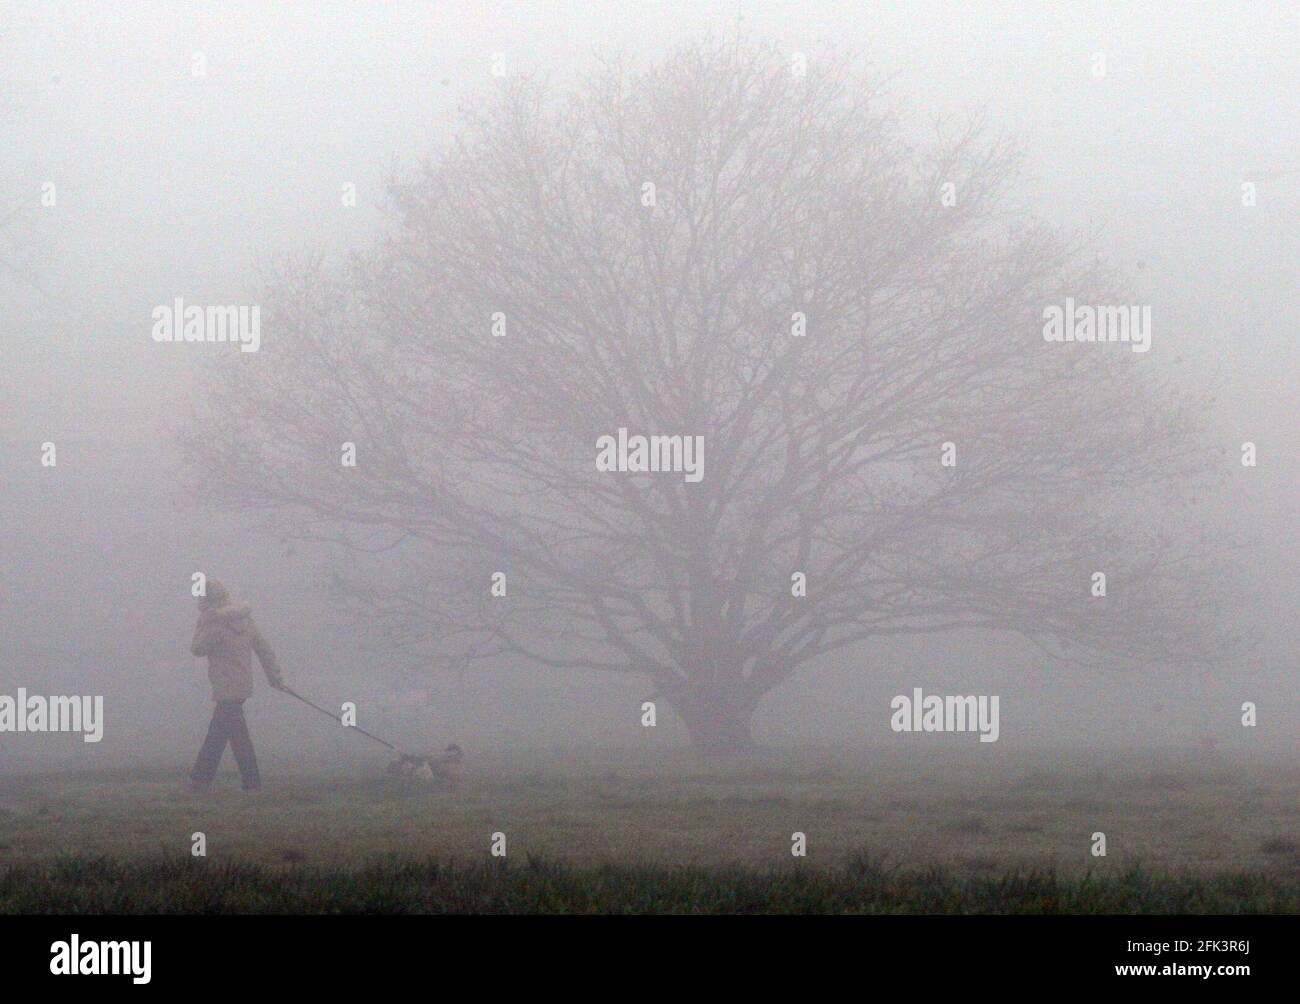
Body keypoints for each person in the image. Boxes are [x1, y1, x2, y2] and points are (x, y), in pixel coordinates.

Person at [187, 579, 285, 792]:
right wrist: (274, 676)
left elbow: (197, 648)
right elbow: (263, 649)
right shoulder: (246, 620)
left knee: (226, 736)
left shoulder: (213, 624)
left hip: (224, 687)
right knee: (227, 735)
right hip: (242, 686)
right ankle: (209, 781)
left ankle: (203, 780)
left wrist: (202, 622)